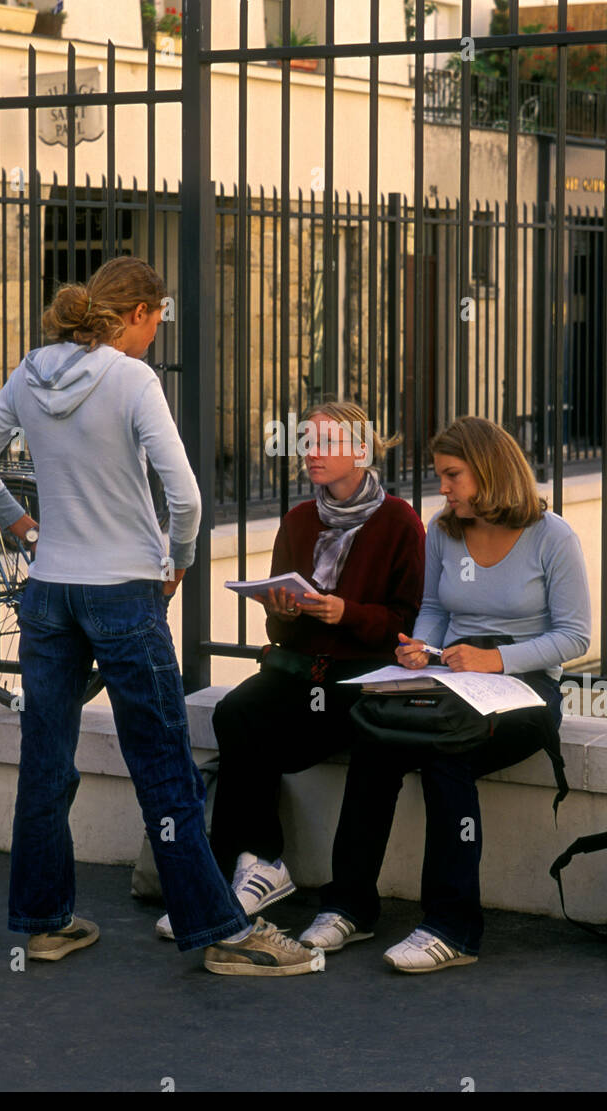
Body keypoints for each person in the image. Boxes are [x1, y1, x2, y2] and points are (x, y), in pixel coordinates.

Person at [0, 256, 319, 977]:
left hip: (51, 590)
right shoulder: (132, 379)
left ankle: (45, 923)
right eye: (159, 320)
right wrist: (178, 558)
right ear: (142, 313)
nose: (157, 334)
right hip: (124, 590)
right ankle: (220, 933)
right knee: (163, 767)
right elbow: (185, 496)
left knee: (45, 761)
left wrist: (24, 528)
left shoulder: (30, 373)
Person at [298, 414, 591, 972]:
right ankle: (349, 906)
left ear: (490, 471)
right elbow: (432, 609)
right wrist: (419, 648)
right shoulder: (443, 529)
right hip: (453, 680)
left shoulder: (552, 536)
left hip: (524, 691)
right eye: (440, 476)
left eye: (453, 475)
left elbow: (574, 636)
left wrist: (497, 659)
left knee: (445, 754)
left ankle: (452, 927)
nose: (445, 488)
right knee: (375, 742)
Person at [155, 401, 425, 938]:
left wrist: (346, 612)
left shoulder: (399, 520)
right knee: (236, 714)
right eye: (307, 442)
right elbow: (283, 633)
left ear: (362, 451)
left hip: (362, 678)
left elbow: (408, 619)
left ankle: (334, 901)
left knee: (338, 742)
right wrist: (280, 610)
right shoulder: (300, 518)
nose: (310, 454)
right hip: (299, 671)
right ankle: (257, 865)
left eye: (325, 443)